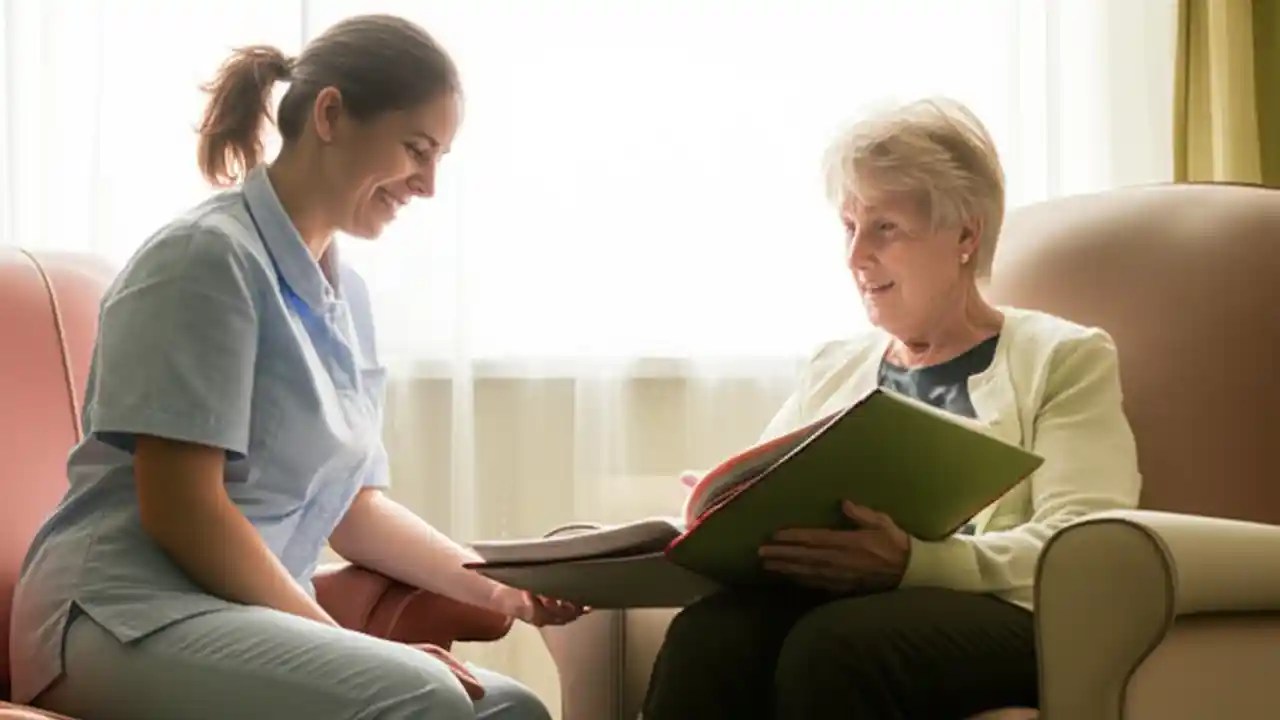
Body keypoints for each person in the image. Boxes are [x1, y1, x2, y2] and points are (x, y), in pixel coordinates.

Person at [10, 14, 583, 720]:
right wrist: (350, 645)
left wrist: (504, 590)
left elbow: (354, 511)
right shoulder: (203, 260)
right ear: (332, 114)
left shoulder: (349, 300)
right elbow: (183, 510)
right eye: (416, 149)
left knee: (511, 708)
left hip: (232, 615)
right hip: (118, 614)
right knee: (423, 695)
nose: (428, 184)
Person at [643, 98, 1143, 719]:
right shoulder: (834, 366)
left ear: (965, 235)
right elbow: (765, 493)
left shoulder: (1063, 358)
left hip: (1007, 618)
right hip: (836, 606)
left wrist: (916, 562)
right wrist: (724, 515)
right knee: (709, 636)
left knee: (834, 647)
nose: (856, 257)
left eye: (885, 228)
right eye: (849, 227)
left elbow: (1086, 545)